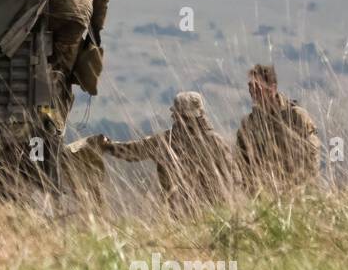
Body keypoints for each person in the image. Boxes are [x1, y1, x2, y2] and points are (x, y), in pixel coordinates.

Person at [75, 91, 238, 213]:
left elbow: (132, 152)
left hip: (179, 213)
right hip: (217, 213)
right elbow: (235, 178)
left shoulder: (166, 141)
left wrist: (107, 146)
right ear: (201, 114)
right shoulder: (217, 142)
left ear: (177, 115)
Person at [46, 0, 110, 128]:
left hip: (47, 14)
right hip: (78, 19)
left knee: (47, 68)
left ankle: (49, 119)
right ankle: (54, 121)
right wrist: (95, 31)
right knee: (60, 71)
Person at [234, 64, 321, 192]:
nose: (253, 91)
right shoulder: (248, 124)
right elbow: (241, 162)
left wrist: (306, 188)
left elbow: (313, 155)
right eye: (250, 86)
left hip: (296, 191)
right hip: (264, 195)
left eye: (258, 86)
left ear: (272, 88)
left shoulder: (296, 116)